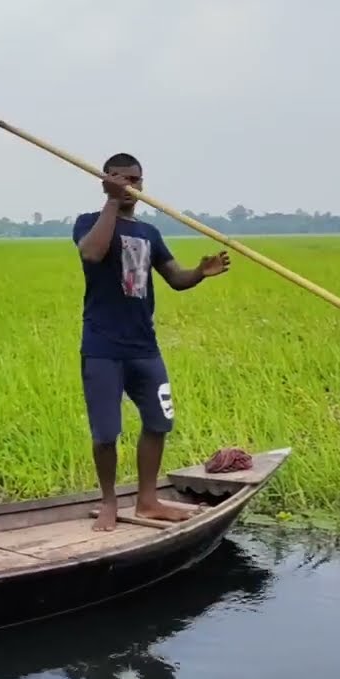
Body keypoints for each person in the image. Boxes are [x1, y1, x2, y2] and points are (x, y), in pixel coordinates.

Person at [71, 153, 230, 531]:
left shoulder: (149, 234)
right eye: (122, 179)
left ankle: (147, 501)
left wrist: (200, 273)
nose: (131, 186)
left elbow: (174, 277)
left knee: (159, 422)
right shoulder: (88, 224)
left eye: (136, 180)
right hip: (103, 347)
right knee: (106, 432)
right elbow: (92, 253)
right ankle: (109, 501)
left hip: (144, 348)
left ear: (142, 185)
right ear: (106, 180)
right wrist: (112, 201)